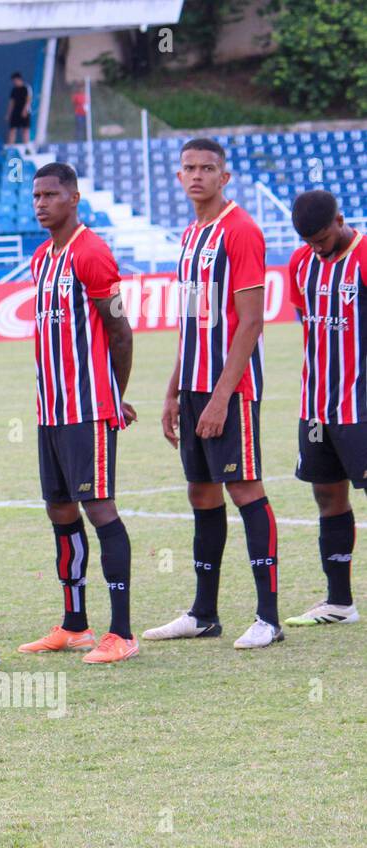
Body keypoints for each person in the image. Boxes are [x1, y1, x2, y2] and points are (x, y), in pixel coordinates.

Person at [146, 138, 281, 650]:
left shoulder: (241, 230)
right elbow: (191, 323)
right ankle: (204, 613)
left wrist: (224, 395)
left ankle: (268, 617)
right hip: (195, 387)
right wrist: (173, 392)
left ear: (224, 177)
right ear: (179, 177)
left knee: (244, 489)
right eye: (189, 168)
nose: (197, 175)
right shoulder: (190, 234)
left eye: (207, 168)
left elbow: (251, 322)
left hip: (233, 388)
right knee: (201, 492)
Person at [16, 163, 138, 663]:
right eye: (36, 195)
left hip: (87, 409)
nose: (41, 203)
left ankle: (123, 632)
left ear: (75, 198)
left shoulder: (91, 252)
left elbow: (120, 331)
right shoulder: (43, 257)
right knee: (60, 511)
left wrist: (113, 394)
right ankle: (75, 625)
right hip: (51, 411)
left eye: (50, 195)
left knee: (100, 509)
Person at [281, 190, 367, 628]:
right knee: (327, 495)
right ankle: (339, 602)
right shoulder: (300, 264)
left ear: (339, 219)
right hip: (316, 406)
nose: (315, 247)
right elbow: (308, 323)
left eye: (320, 237)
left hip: (361, 408)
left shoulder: (365, 256)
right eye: (308, 241)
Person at [6, 72, 34, 146]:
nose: (14, 82)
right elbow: (11, 103)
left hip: (25, 111)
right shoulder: (14, 90)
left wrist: (25, 110)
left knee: (25, 129)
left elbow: (29, 100)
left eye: (15, 80)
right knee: (12, 129)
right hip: (15, 111)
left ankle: (27, 146)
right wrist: (9, 114)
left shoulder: (27, 88)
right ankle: (10, 146)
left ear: (19, 79)